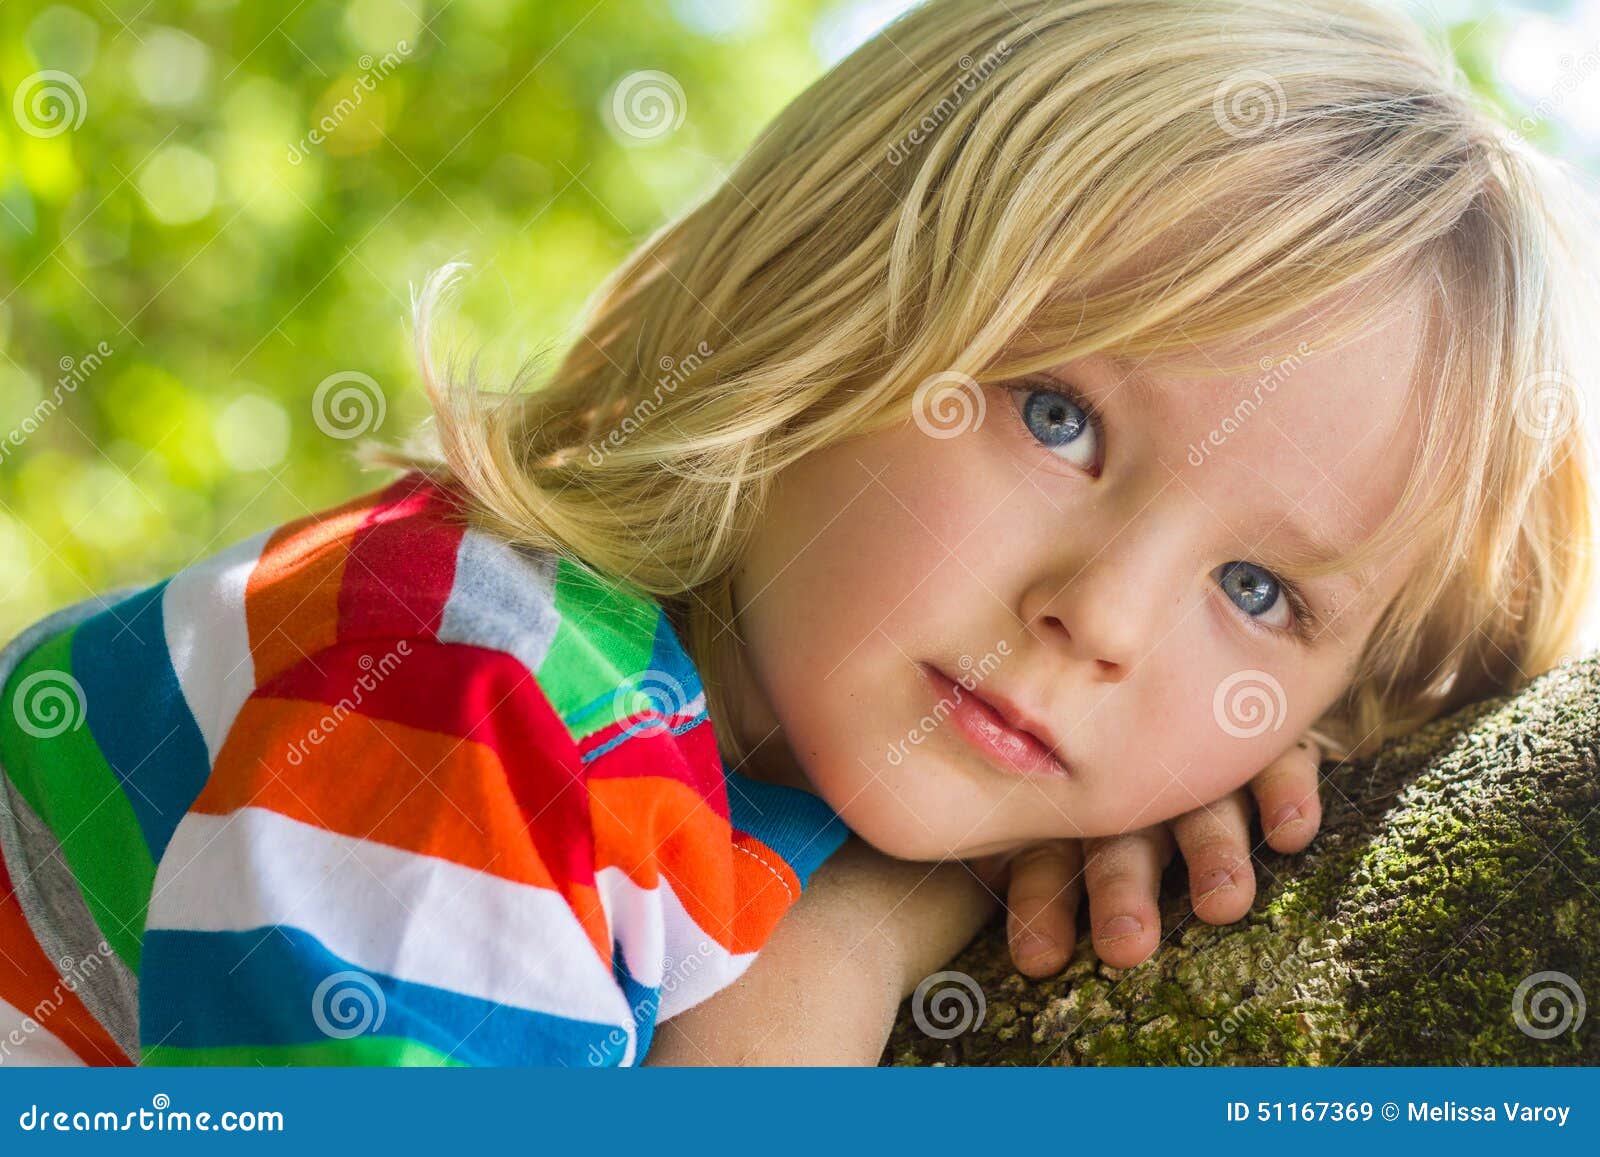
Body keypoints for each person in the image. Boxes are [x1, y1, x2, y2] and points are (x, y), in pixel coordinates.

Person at [2, 0, 1595, 1066]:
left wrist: (891, 903)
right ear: (825, 296)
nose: (1103, 615)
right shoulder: (481, 702)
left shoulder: (738, 762)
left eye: (1256, 590)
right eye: (1058, 417)